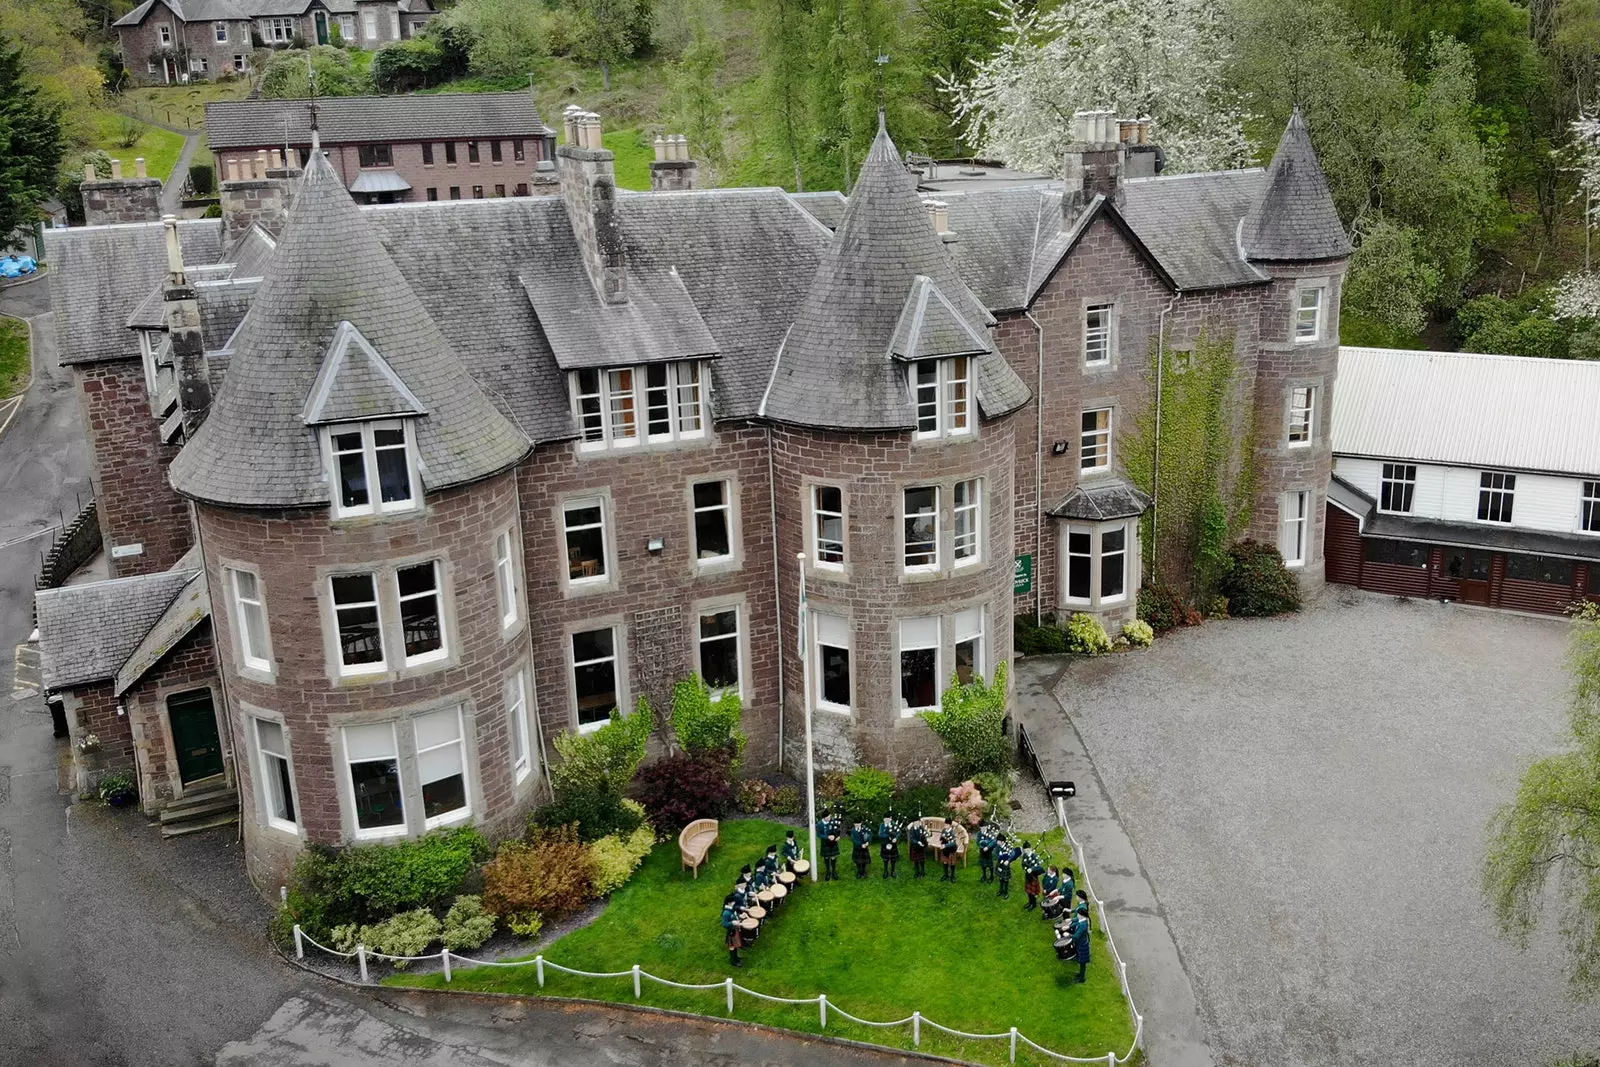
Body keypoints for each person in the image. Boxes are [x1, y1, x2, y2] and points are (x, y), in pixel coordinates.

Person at [720, 894, 744, 967]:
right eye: (733, 901)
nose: (734, 902)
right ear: (729, 903)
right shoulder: (726, 913)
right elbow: (724, 924)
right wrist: (732, 923)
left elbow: (735, 916)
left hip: (735, 929)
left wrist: (740, 917)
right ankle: (734, 961)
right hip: (731, 931)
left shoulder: (731, 909)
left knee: (735, 945)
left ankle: (736, 958)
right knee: (732, 946)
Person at [1069, 909, 1091, 983]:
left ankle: (1082, 978)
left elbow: (1076, 936)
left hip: (1082, 944)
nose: (1077, 915)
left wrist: (1069, 935)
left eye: (1078, 914)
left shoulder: (1083, 925)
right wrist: (1069, 926)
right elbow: (1076, 924)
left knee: (1082, 962)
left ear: (1082, 915)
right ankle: (1081, 974)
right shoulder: (1081, 921)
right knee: (1081, 962)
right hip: (1081, 943)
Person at [818, 812, 841, 881]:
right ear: (823, 818)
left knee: (833, 856)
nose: (829, 818)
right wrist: (827, 837)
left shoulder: (833, 821)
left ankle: (834, 871)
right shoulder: (820, 824)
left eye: (830, 816)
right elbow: (819, 834)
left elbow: (836, 830)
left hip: (833, 842)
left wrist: (838, 837)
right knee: (827, 857)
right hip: (825, 843)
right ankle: (828, 872)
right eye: (827, 817)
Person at [878, 813, 901, 878]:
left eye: (888, 818)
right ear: (883, 819)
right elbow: (880, 834)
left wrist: (896, 838)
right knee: (885, 859)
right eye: (885, 819)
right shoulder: (882, 825)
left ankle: (893, 871)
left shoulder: (894, 824)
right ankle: (885, 871)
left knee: (893, 859)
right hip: (884, 844)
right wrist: (888, 836)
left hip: (893, 845)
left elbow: (899, 832)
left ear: (890, 819)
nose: (887, 820)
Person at [1021, 844, 1044, 910]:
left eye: (1028, 850)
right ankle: (1030, 902)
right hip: (1028, 875)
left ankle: (1033, 904)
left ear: (1030, 848)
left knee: (1033, 892)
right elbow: (1023, 863)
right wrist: (1025, 868)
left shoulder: (1035, 856)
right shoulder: (1025, 855)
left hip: (1034, 876)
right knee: (1028, 891)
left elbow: (1039, 866)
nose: (1026, 852)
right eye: (1025, 850)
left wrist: (1032, 869)